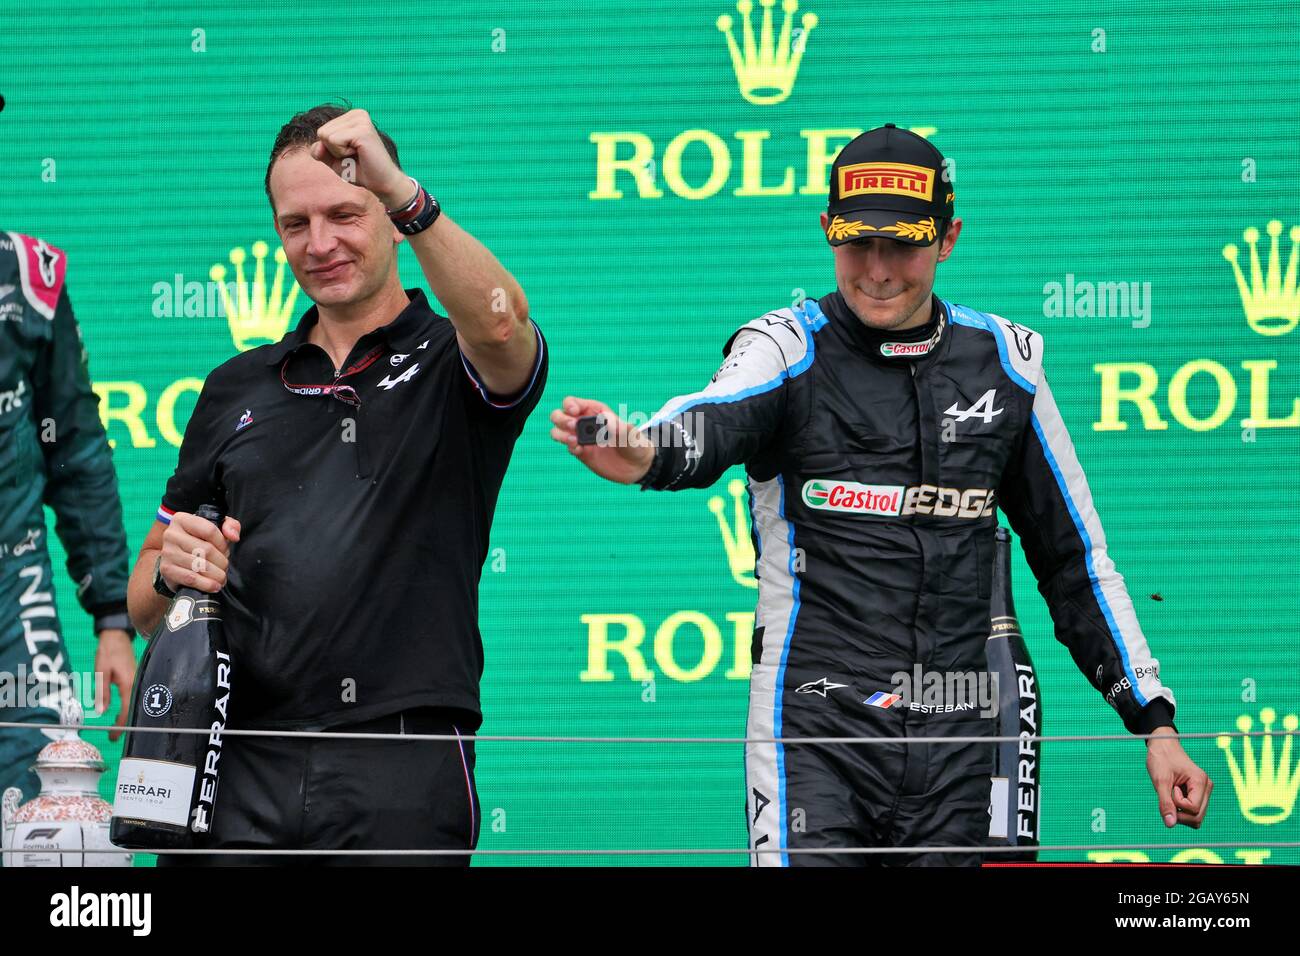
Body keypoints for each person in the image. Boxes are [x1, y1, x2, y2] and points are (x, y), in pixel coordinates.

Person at [549, 124, 1211, 866]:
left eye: (903, 244)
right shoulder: (785, 347)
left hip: (967, 737)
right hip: (814, 732)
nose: (877, 270)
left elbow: (1075, 562)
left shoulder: (1009, 364)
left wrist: (1155, 724)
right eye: (856, 243)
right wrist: (641, 449)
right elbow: (711, 418)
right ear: (827, 231)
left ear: (948, 237)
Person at [126, 105, 547, 866]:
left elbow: (504, 325)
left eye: (345, 213)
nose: (319, 244)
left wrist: (405, 192)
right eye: (295, 224)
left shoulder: (452, 358)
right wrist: (171, 566)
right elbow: (143, 602)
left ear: (390, 218)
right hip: (231, 759)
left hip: (401, 761)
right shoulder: (233, 386)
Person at [0, 230, 136, 806]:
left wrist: (112, 616)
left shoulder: (26, 276)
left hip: (12, 589)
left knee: (44, 794)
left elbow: (74, 449)